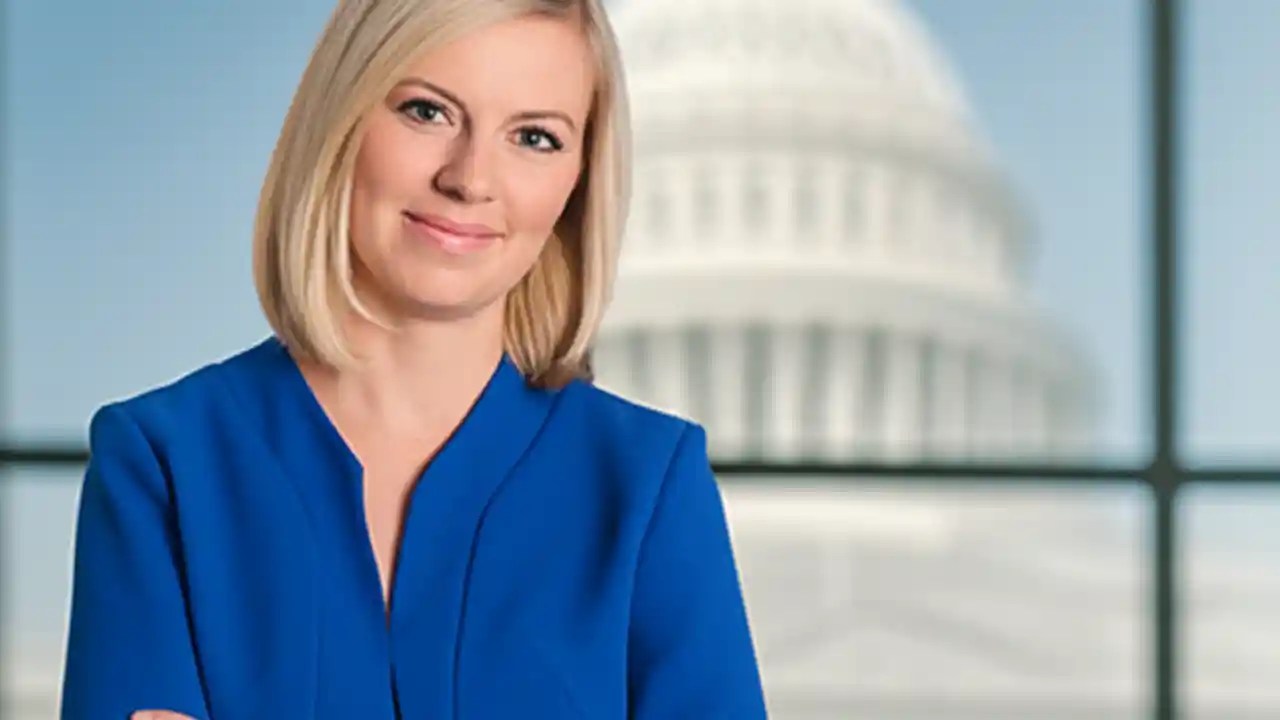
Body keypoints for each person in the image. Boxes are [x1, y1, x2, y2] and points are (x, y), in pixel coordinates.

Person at [57, 0, 768, 718]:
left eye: (534, 137)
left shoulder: (646, 485)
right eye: (427, 112)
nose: (470, 178)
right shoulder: (162, 465)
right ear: (341, 120)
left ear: (579, 182)